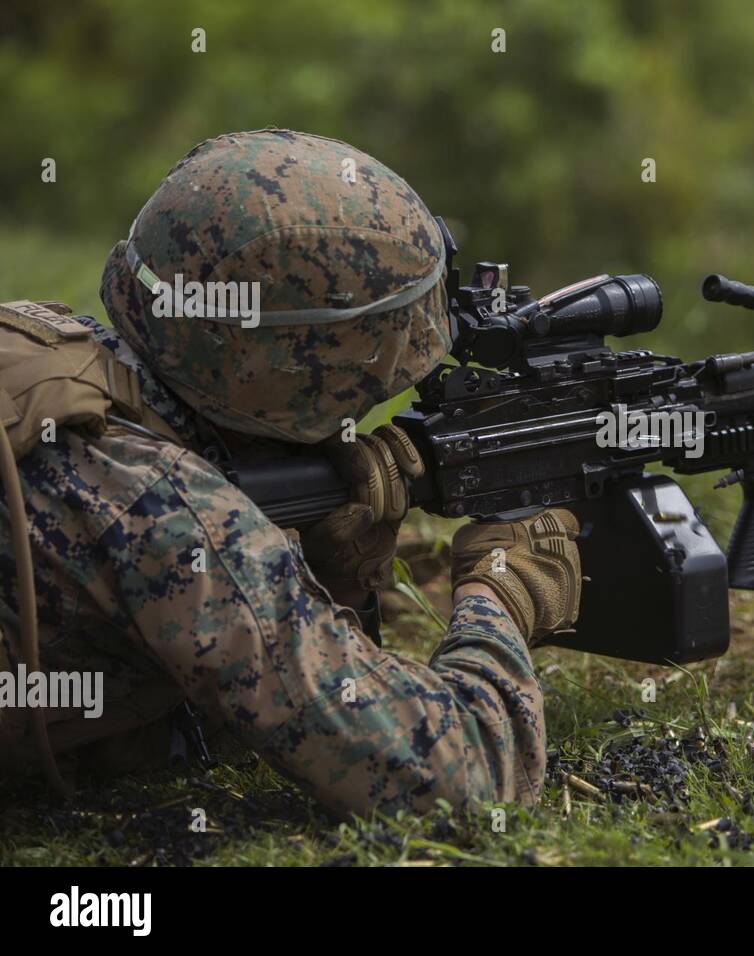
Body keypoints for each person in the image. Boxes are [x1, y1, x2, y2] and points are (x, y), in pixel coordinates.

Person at [0, 129, 580, 818]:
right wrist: (503, 599)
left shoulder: (41, 347)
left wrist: (335, 580)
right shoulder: (172, 516)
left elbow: (209, 692)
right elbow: (464, 777)